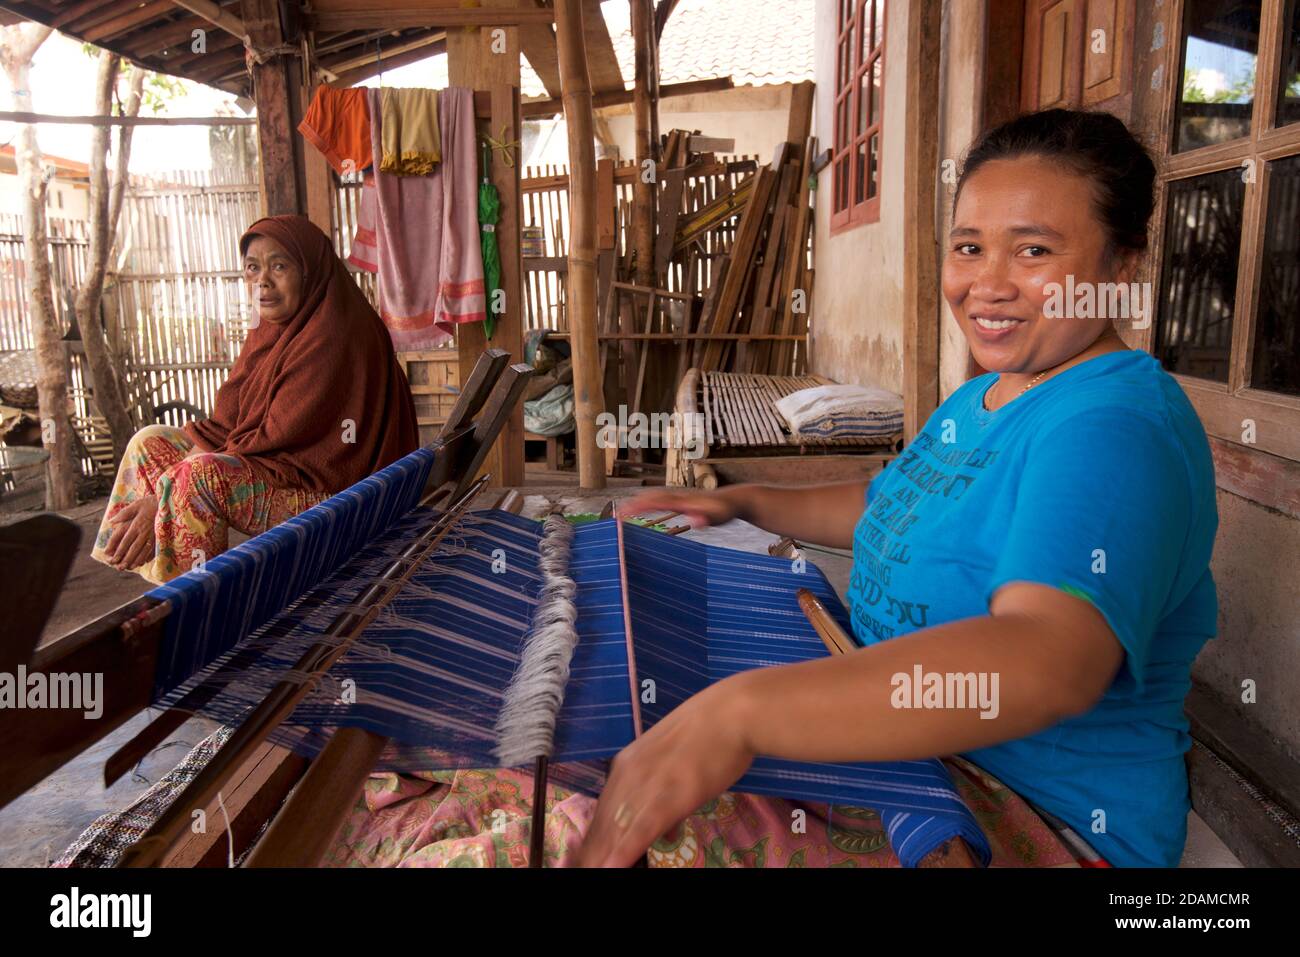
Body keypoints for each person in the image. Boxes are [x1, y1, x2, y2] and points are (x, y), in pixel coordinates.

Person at [572, 108, 1219, 868]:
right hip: (920, 761)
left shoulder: (1112, 424)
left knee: (557, 821)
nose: (989, 284)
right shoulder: (986, 398)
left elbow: (1049, 658)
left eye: (1034, 250)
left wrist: (742, 714)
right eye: (969, 248)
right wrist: (740, 500)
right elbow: (887, 506)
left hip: (1028, 815)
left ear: (1122, 267)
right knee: (595, 740)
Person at [93, 214, 418, 585]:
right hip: (288, 471)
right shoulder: (275, 327)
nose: (262, 281)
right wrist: (161, 489)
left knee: (198, 477)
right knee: (149, 443)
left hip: (340, 499)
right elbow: (228, 420)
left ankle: (195, 608)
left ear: (310, 271)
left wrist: (157, 499)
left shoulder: (334, 331)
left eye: (279, 266)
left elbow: (272, 438)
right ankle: (151, 575)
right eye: (252, 268)